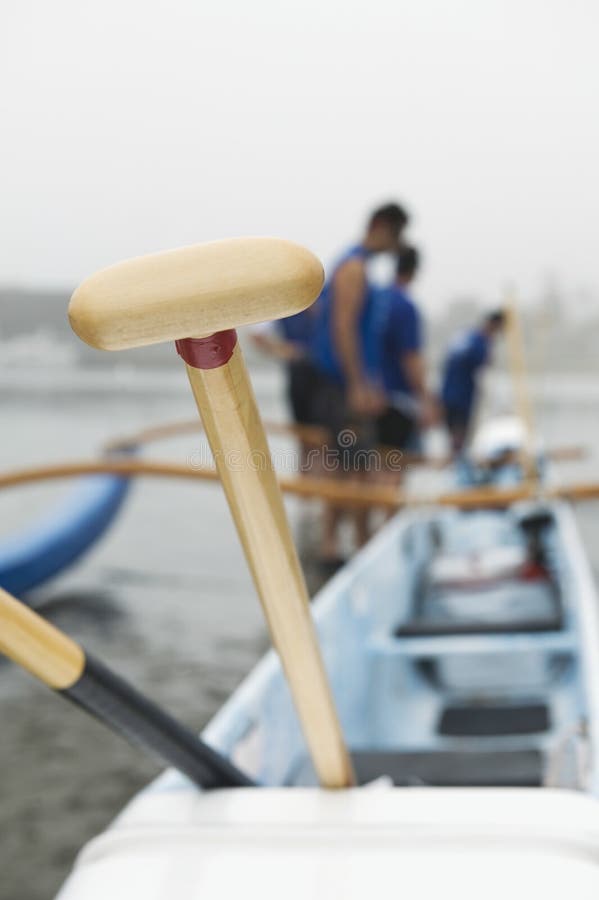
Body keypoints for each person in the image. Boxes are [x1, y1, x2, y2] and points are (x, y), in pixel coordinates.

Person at [309, 202, 410, 568]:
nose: (397, 243)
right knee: (354, 468)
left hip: (343, 382)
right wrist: (356, 384)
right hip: (339, 386)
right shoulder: (353, 267)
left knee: (345, 466)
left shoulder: (356, 265)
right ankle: (342, 547)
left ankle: (335, 545)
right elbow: (342, 327)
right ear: (381, 226)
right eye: (397, 235)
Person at [375, 246, 436, 461]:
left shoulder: (375, 298)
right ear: (415, 271)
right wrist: (426, 400)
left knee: (368, 467)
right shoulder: (405, 306)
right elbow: (410, 358)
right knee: (392, 468)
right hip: (397, 402)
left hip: (370, 396)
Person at [249, 308, 321, 469]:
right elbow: (257, 336)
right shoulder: (285, 301)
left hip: (325, 376)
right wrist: (287, 351)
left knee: (319, 443)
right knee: (308, 441)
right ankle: (310, 489)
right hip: (303, 375)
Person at [441, 310, 506, 454]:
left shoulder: (464, 336)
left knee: (454, 436)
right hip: (461, 395)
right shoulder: (479, 342)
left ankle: (456, 459)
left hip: (448, 393)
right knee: (459, 437)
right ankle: (457, 462)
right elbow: (485, 362)